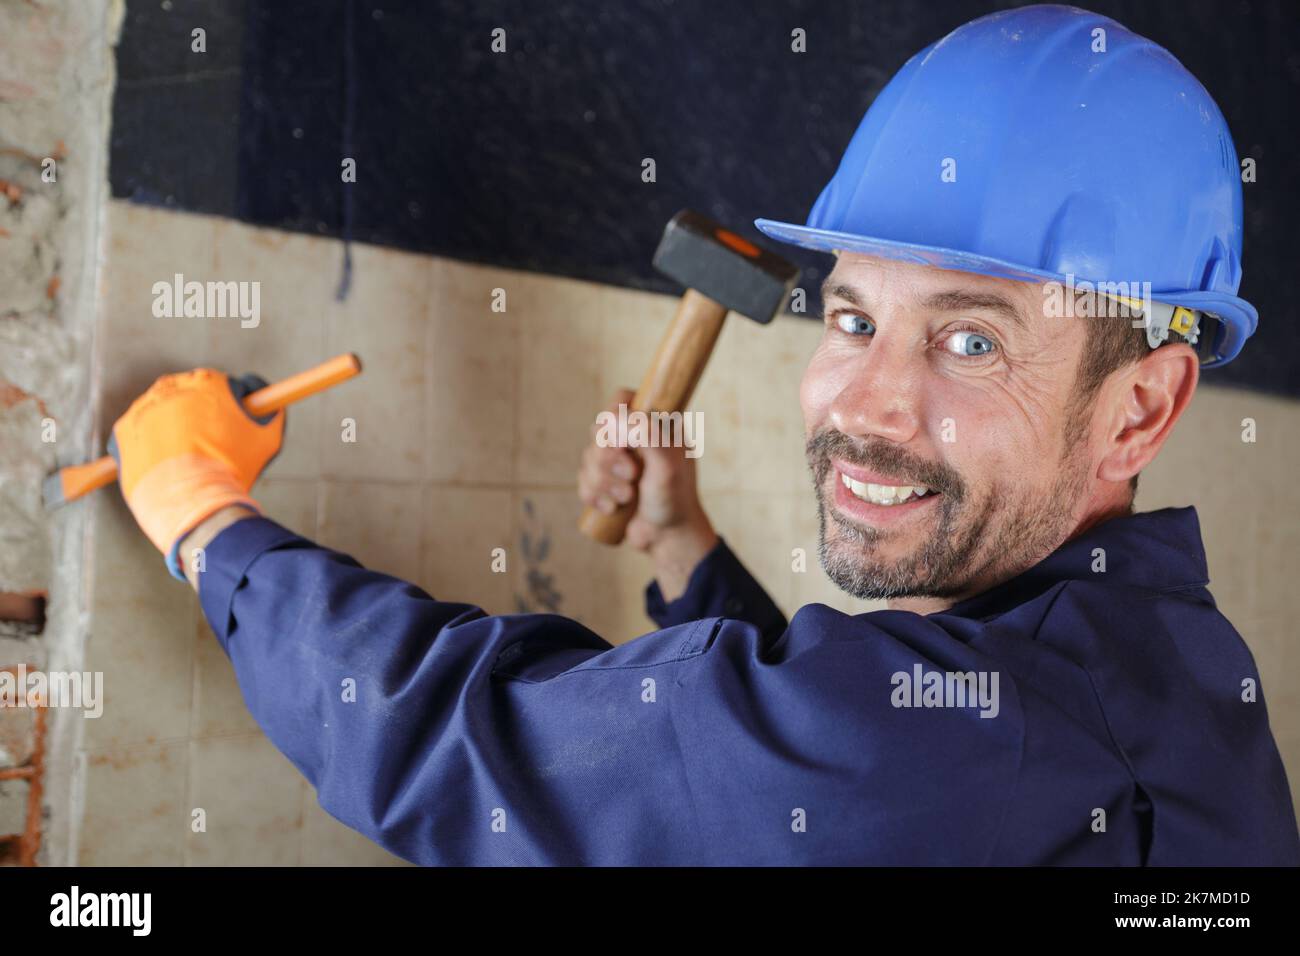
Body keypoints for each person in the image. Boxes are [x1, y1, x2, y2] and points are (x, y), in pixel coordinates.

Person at [108, 5, 1299, 864]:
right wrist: (682, 542)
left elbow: (483, 747)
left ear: (1138, 407)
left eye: (970, 340)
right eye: (851, 315)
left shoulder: (996, 735)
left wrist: (205, 517)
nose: (864, 408)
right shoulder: (1161, 663)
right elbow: (810, 772)